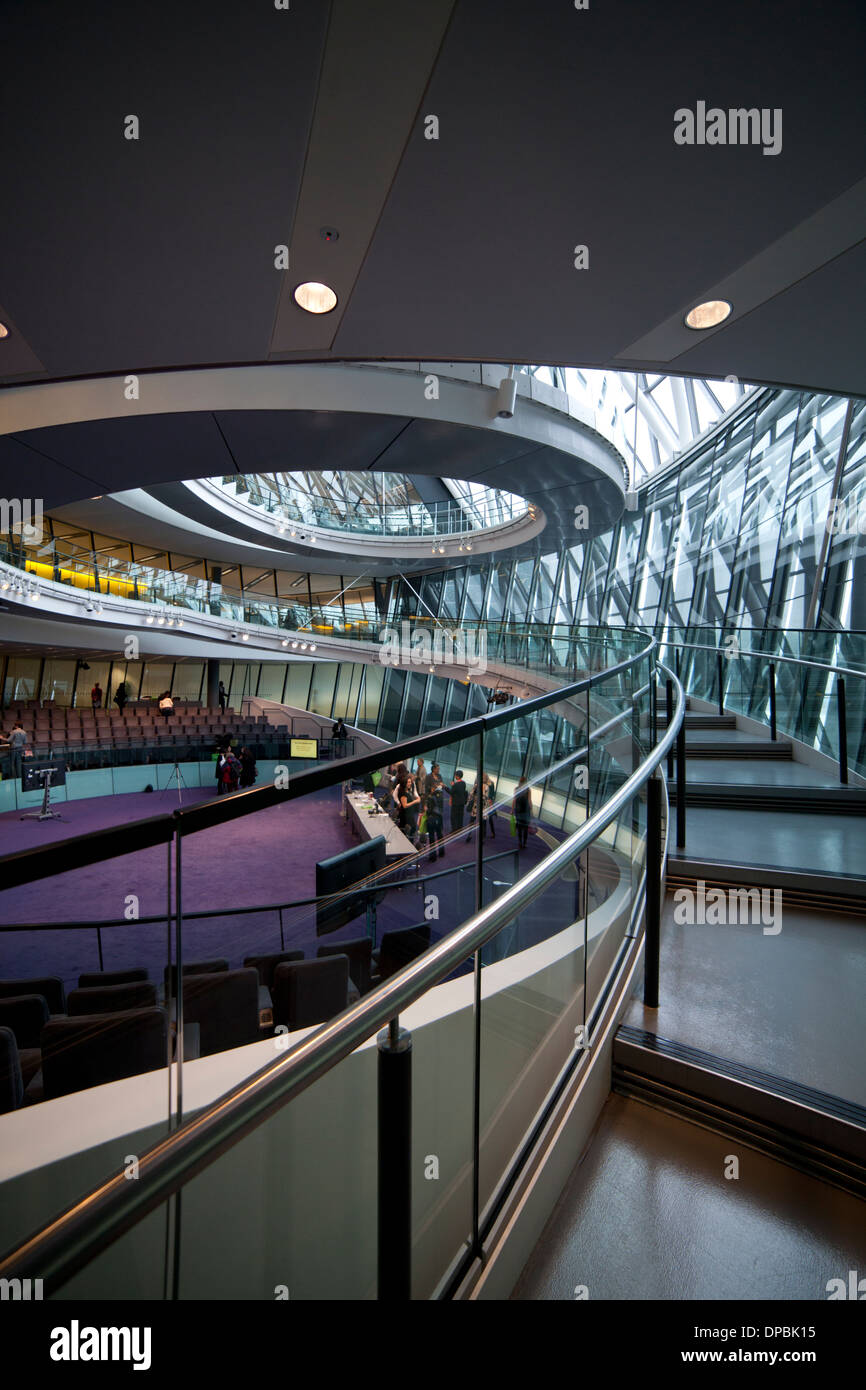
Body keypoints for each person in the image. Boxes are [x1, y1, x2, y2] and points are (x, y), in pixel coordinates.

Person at [424, 773, 445, 861]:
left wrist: (426, 810)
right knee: (440, 835)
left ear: (433, 788)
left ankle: (433, 857)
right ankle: (441, 852)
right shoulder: (441, 795)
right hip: (439, 818)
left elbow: (429, 810)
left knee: (432, 837)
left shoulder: (430, 797)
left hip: (432, 818)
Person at [396, 773, 421, 844]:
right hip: (406, 816)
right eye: (409, 782)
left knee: (412, 830)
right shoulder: (403, 793)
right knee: (408, 831)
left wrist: (417, 798)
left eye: (410, 782)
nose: (410, 783)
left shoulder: (408, 791)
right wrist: (415, 801)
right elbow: (405, 805)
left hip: (410, 814)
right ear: (405, 783)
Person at [512, 775, 533, 850]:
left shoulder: (516, 789)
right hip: (525, 811)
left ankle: (520, 842)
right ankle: (524, 843)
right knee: (525, 828)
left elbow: (514, 799)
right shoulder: (528, 790)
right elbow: (529, 801)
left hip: (518, 811)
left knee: (520, 828)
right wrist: (531, 810)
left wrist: (512, 809)